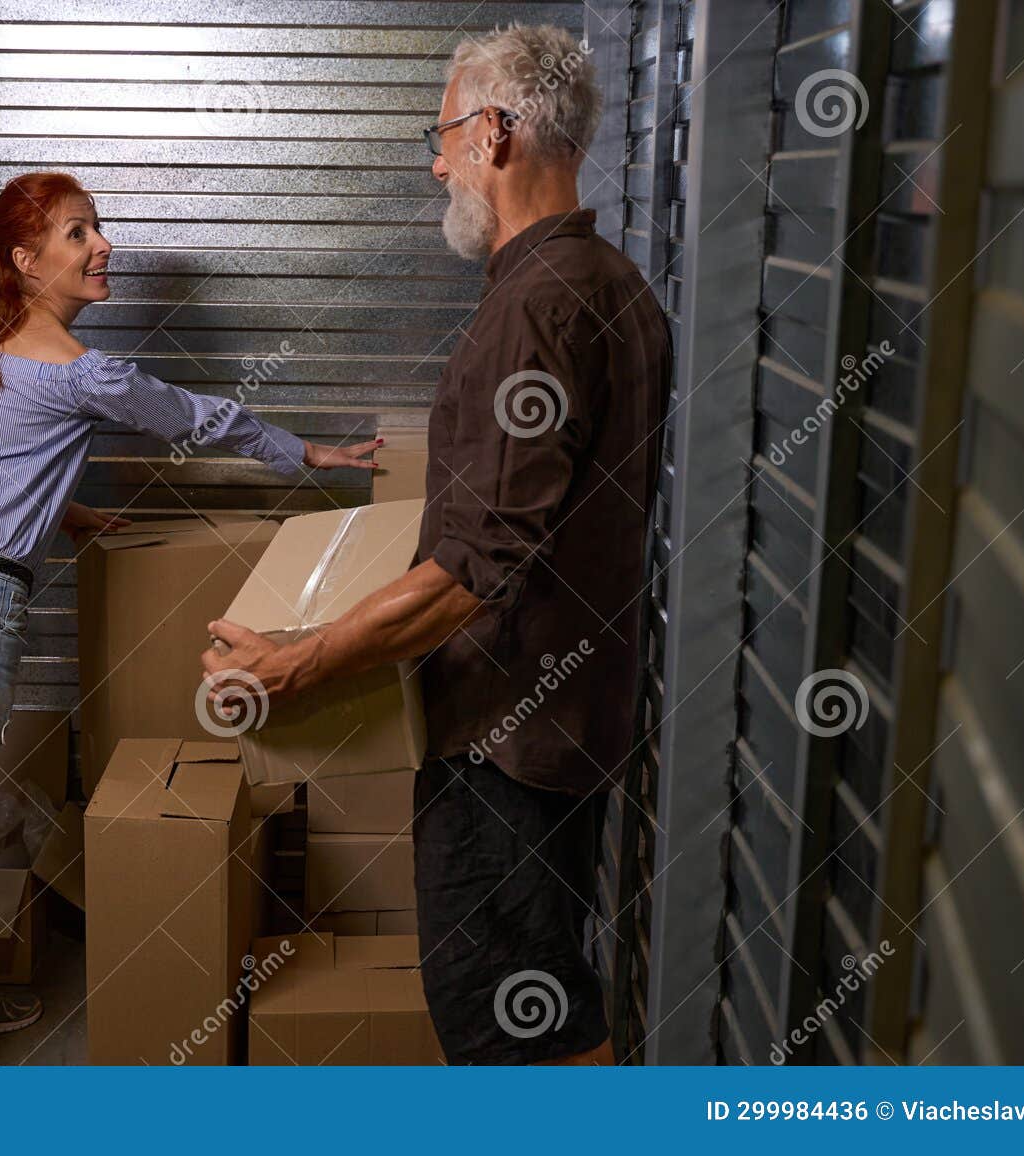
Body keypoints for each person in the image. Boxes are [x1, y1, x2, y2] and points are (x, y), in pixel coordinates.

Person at [202, 24, 672, 1065]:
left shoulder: (536, 309)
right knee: (541, 998)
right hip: (568, 720)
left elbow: (475, 566)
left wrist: (300, 664)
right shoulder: (614, 287)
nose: (434, 160)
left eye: (445, 133)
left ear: (497, 134)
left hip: (509, 736)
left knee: (501, 1020)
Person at [0, 171, 377, 1065]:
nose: (104, 247)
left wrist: (65, 508)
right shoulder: (82, 373)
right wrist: (314, 453)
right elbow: (200, 417)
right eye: (77, 235)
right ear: (26, 261)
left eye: (97, 228)